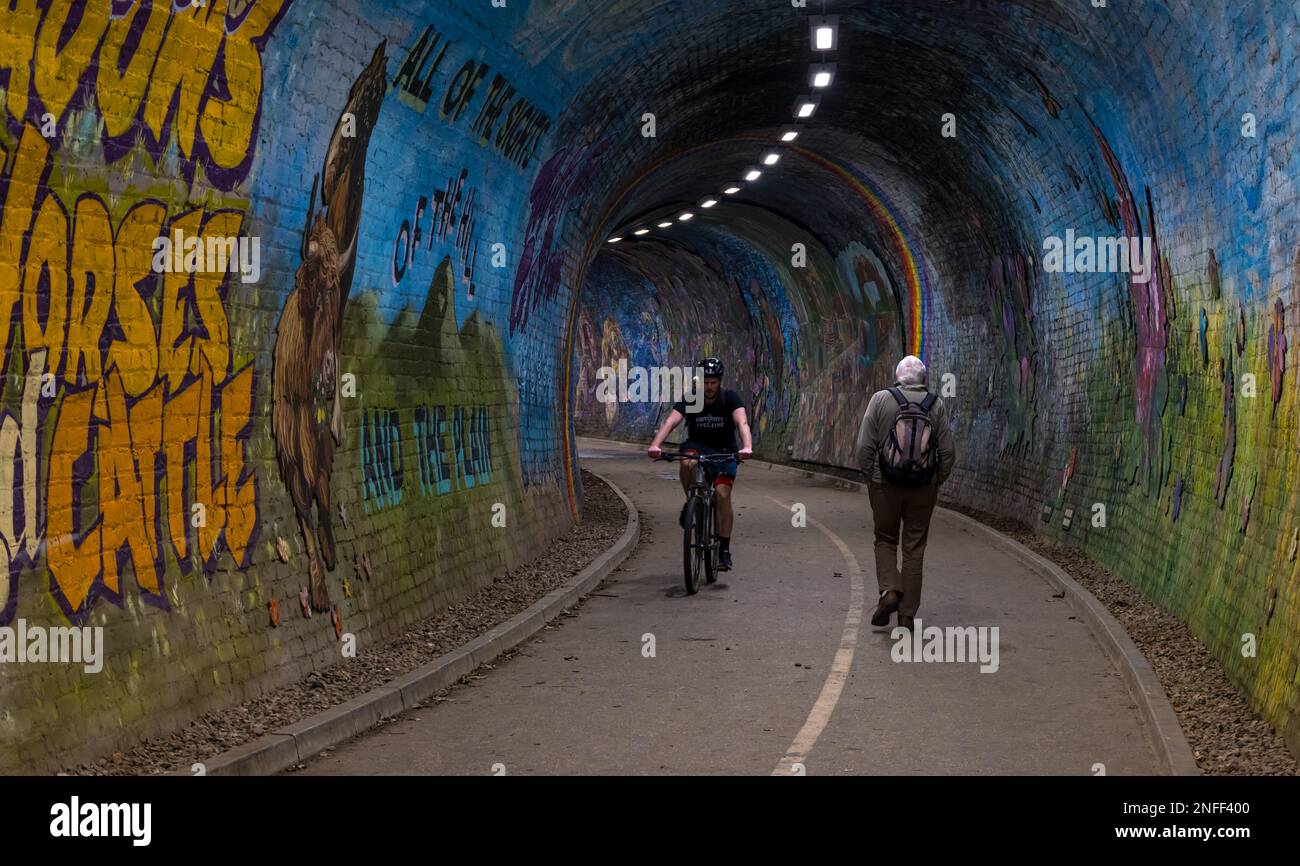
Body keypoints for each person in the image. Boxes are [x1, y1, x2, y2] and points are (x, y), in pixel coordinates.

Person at [855, 355, 956, 630]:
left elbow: (864, 446)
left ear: (897, 377)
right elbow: (947, 452)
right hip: (923, 487)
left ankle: (889, 591)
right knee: (914, 549)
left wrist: (872, 478)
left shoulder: (880, 399)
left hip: (886, 485)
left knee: (885, 539)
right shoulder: (936, 405)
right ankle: (907, 616)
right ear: (923, 380)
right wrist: (934, 481)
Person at [647, 357, 753, 570]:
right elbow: (671, 421)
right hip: (698, 445)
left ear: (719, 381)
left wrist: (747, 447)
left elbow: (742, 422)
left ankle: (724, 550)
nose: (709, 387)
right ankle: (692, 501)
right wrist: (655, 445)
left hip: (725, 451)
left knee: (723, 495)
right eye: (705, 382)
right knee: (687, 463)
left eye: (713, 382)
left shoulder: (730, 398)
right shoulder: (691, 398)